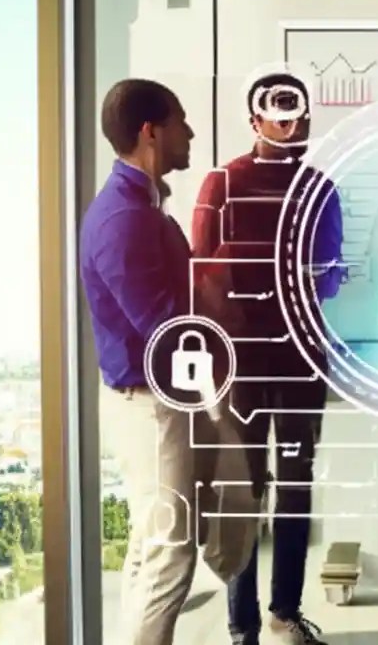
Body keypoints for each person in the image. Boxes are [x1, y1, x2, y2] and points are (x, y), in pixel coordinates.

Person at [80, 78, 258, 644]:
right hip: (155, 409)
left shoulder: (141, 209)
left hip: (162, 403)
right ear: (149, 132)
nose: (192, 133)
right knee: (169, 560)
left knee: (152, 550)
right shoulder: (124, 220)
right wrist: (218, 314)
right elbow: (166, 334)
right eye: (181, 121)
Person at [192, 73, 345, 645]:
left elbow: (328, 280)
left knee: (296, 482)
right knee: (244, 487)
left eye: (301, 115)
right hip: (240, 362)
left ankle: (283, 613)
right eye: (282, 113)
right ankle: (242, 625)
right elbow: (200, 273)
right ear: (254, 119)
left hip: (302, 356)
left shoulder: (319, 187)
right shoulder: (221, 183)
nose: (295, 124)